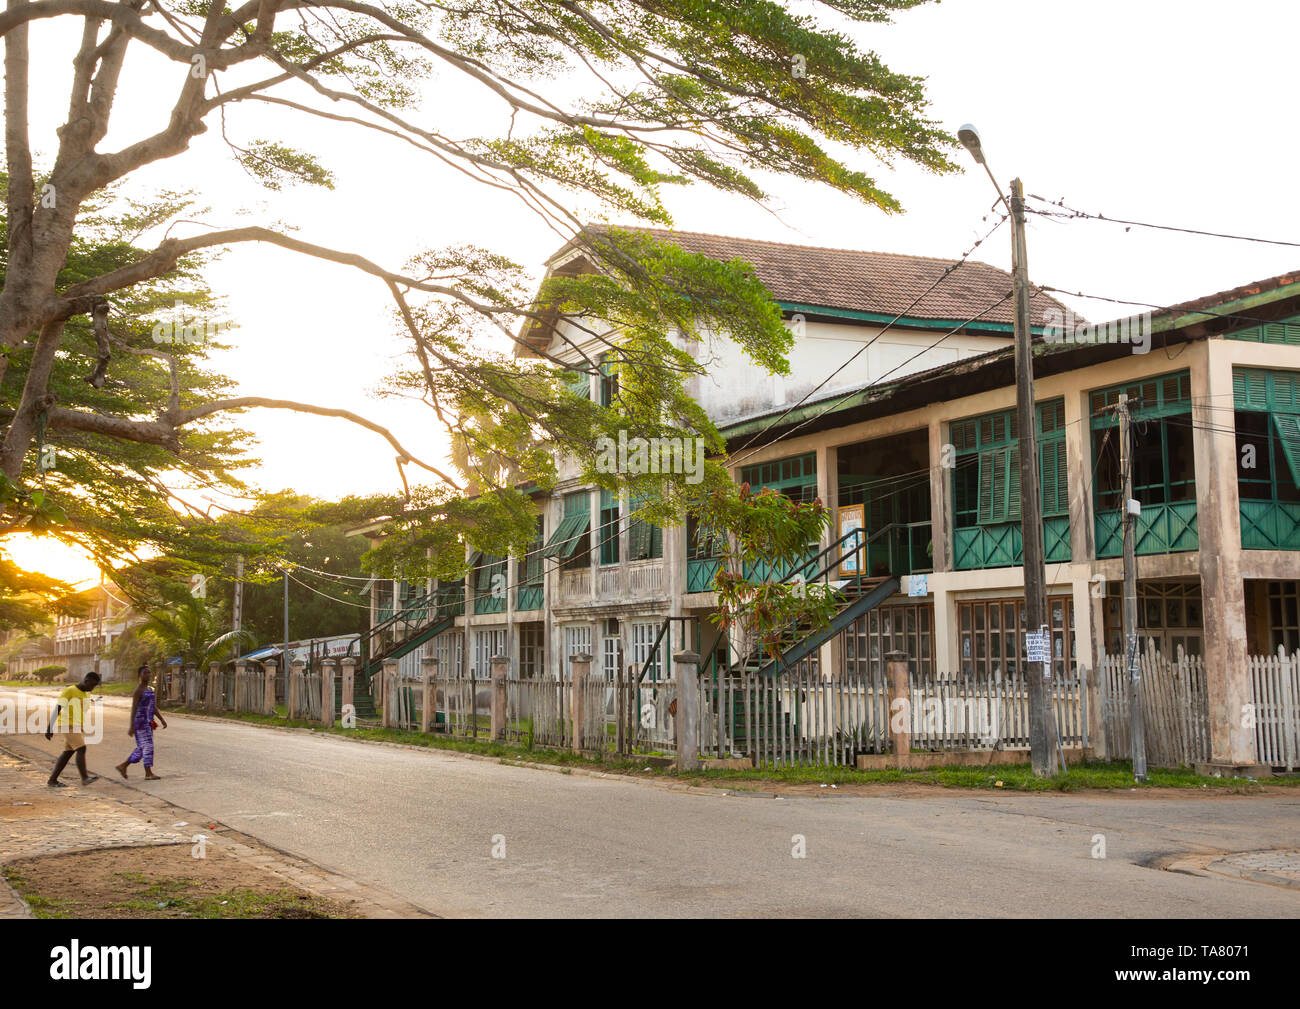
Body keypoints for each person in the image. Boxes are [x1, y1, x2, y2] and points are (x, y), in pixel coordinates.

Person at [45, 671, 101, 787]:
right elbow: (58, 708)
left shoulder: (86, 693)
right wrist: (50, 727)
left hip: (77, 725)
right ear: (86, 681)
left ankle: (52, 780)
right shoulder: (70, 690)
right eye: (92, 685)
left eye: (95, 686)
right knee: (81, 749)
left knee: (67, 753)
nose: (93, 688)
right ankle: (84, 778)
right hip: (67, 724)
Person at [116, 664, 167, 780]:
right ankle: (148, 773)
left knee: (142, 747)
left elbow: (153, 707)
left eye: (149, 672)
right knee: (148, 746)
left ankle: (123, 766)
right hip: (140, 722)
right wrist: (131, 726)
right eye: (145, 673)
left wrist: (162, 719)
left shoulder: (150, 690)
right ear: (140, 675)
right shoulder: (138, 690)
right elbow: (133, 708)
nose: (148, 675)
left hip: (149, 722)